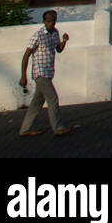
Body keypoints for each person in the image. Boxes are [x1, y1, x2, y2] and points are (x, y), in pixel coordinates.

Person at [18, 10, 76, 138]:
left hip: (49, 72)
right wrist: (23, 76)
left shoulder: (55, 33)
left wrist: (64, 41)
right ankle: (58, 128)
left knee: (37, 103)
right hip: (40, 73)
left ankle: (24, 130)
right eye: (48, 21)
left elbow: (58, 49)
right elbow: (26, 55)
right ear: (44, 21)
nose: (51, 23)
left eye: (53, 21)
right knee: (53, 98)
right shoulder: (37, 36)